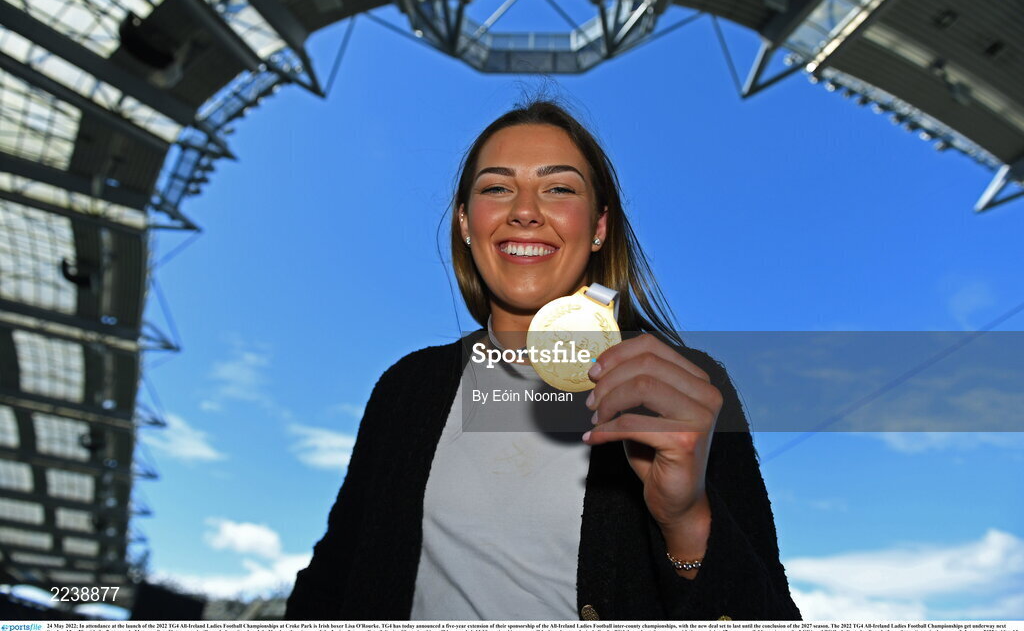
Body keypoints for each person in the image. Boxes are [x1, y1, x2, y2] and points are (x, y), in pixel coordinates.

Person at [285, 99, 801, 621]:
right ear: (465, 222)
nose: (525, 210)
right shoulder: (406, 388)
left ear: (599, 226)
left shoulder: (684, 386)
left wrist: (686, 520)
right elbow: (334, 575)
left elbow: (768, 611)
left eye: (558, 188)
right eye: (496, 188)